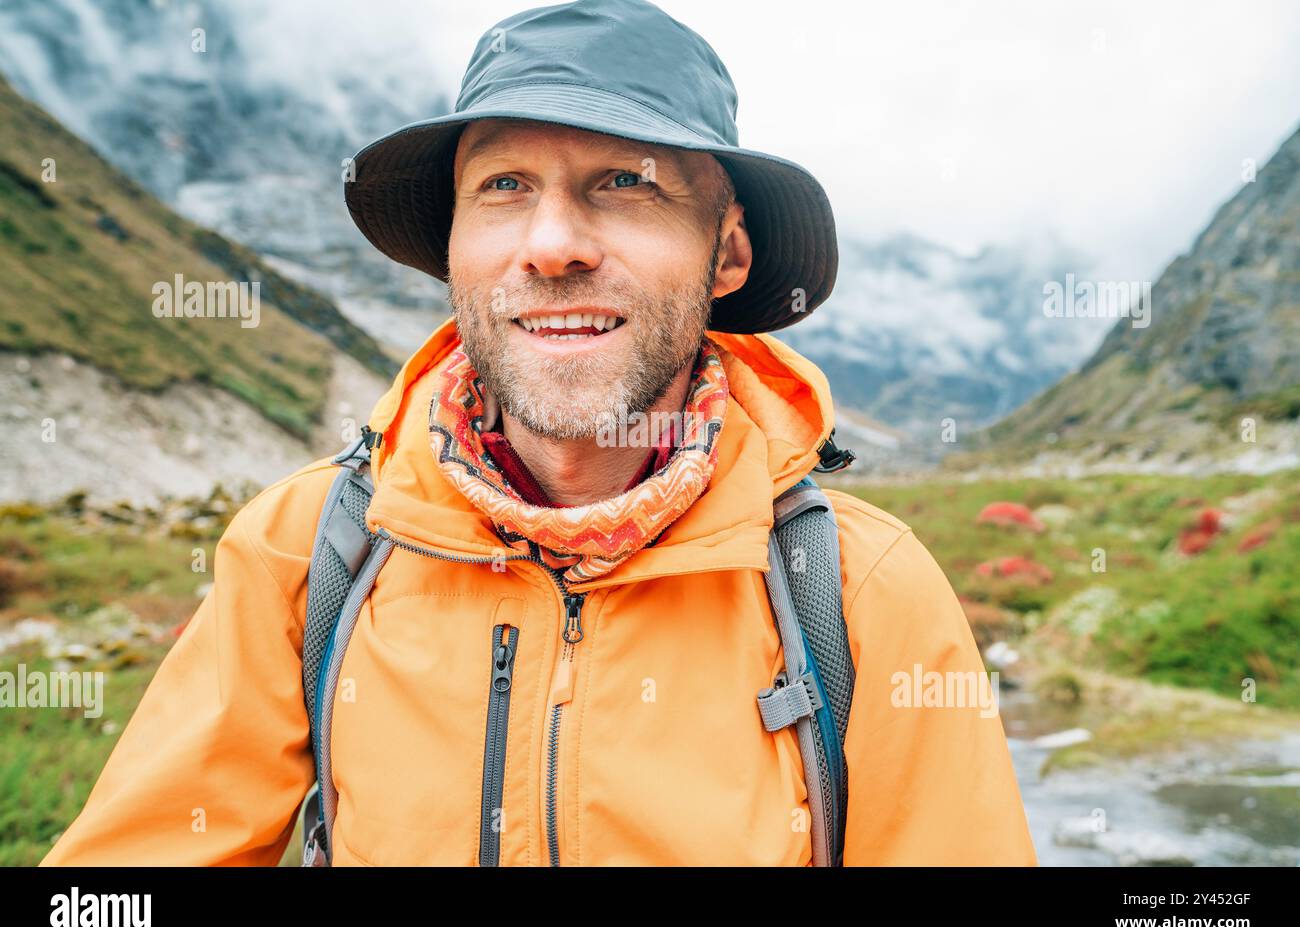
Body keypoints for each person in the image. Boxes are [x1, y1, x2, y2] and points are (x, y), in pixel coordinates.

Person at [43, 0, 1035, 866]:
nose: (551, 245)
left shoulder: (858, 592)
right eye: (504, 187)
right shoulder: (306, 552)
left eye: (624, 183)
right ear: (454, 251)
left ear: (725, 255)